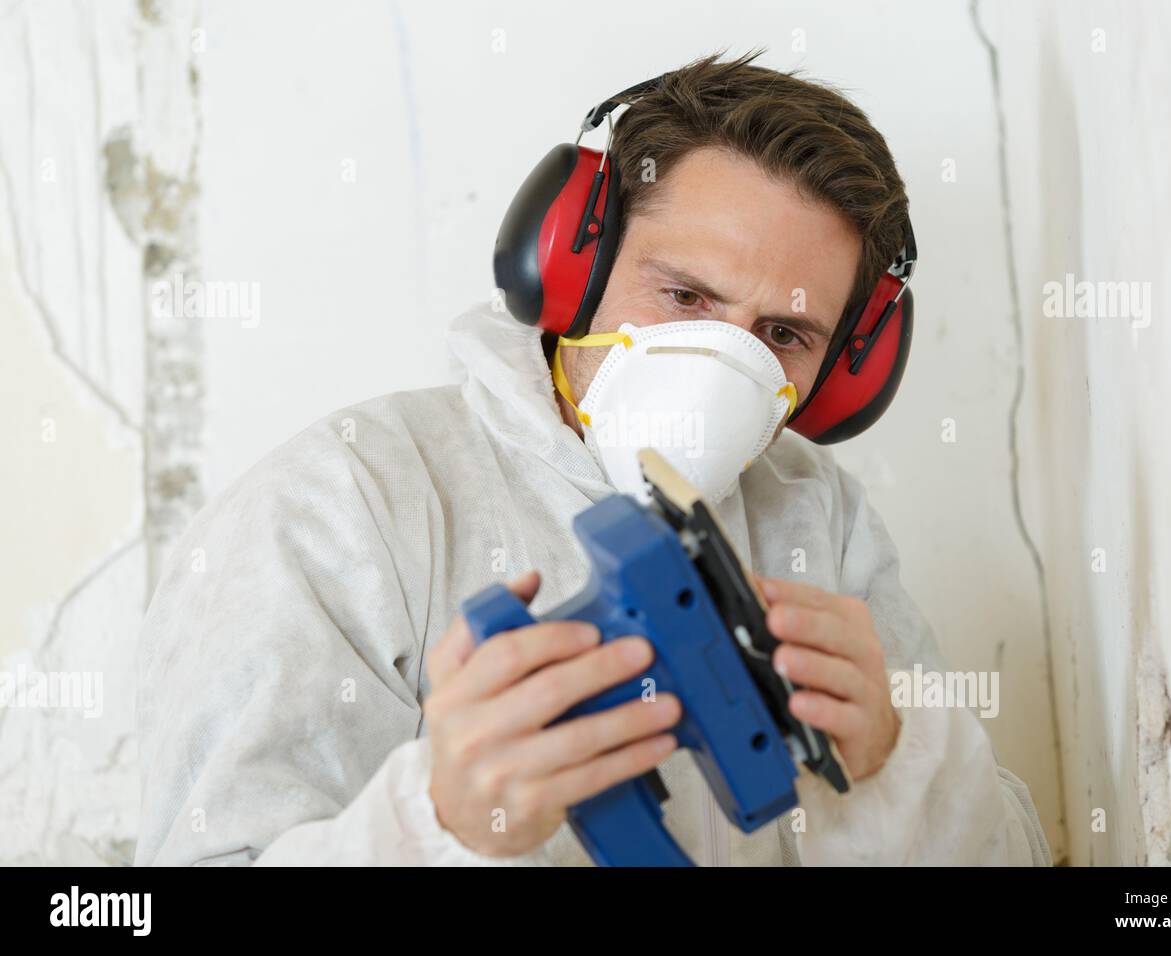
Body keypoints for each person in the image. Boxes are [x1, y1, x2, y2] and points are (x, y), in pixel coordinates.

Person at [134, 52, 1051, 866]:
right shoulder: (348, 498)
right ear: (573, 261)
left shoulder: (821, 523)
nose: (725, 362)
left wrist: (899, 769)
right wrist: (435, 825)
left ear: (844, 379)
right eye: (684, 293)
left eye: (783, 333)